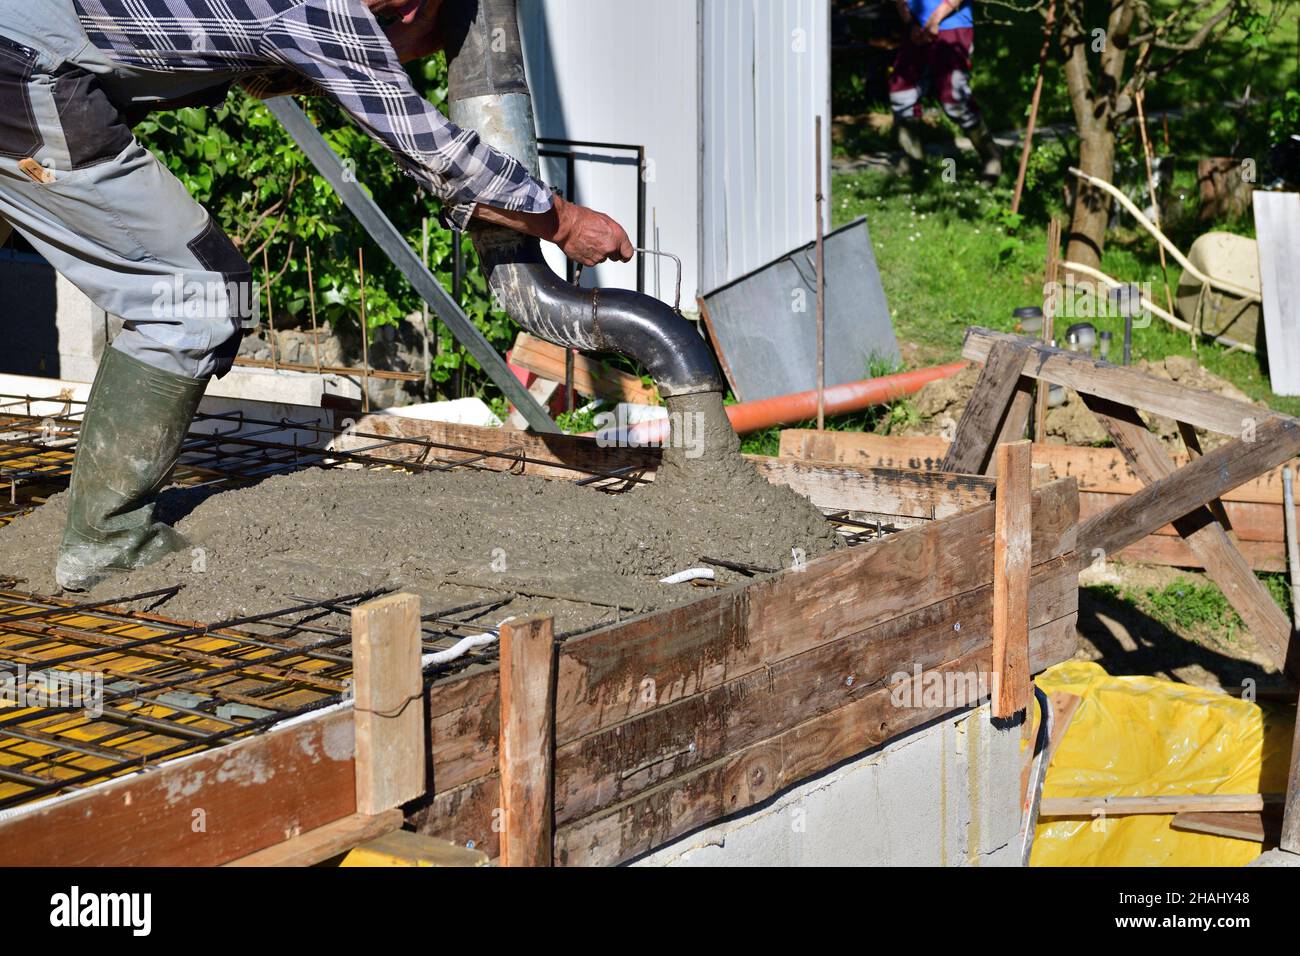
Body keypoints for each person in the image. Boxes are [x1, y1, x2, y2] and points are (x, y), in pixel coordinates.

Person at [0, 0, 632, 590]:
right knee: (197, 296)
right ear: (411, 7)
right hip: (25, 66)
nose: (408, 61)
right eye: (431, 44)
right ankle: (108, 546)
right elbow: (438, 153)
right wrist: (565, 222)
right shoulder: (330, 11)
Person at [888, 0, 1001, 180]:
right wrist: (910, 22)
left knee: (954, 99)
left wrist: (935, 19)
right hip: (914, 27)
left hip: (952, 25)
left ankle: (991, 156)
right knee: (901, 91)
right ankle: (912, 159)